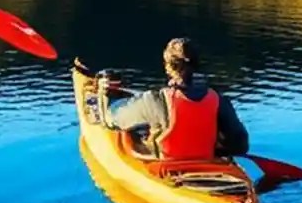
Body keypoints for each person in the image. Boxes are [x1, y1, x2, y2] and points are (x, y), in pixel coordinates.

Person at [98, 38, 249, 160]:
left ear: (168, 67)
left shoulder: (154, 101)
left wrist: (105, 92)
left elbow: (110, 119)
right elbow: (241, 146)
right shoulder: (219, 101)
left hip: (167, 167)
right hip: (207, 161)